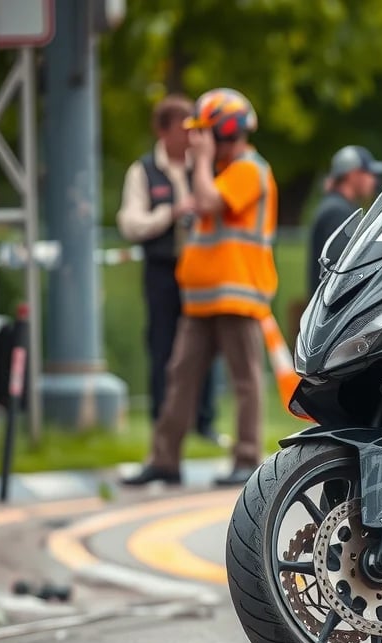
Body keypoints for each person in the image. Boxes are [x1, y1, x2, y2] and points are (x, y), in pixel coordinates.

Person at [123, 88, 279, 488]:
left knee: (244, 380)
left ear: (225, 130)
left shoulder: (249, 169)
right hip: (202, 299)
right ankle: (164, 460)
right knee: (179, 377)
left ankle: (247, 458)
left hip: (238, 293)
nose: (197, 141)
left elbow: (209, 203)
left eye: (204, 132)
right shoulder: (221, 169)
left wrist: (204, 162)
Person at [116, 95, 223, 446]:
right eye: (183, 128)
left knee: (207, 346)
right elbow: (130, 223)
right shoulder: (143, 170)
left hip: (202, 270)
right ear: (162, 131)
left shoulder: (204, 165)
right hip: (163, 270)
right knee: (162, 346)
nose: (190, 136)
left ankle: (203, 421)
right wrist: (170, 213)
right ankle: (163, 421)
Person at [307, 145, 382, 299]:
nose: (373, 180)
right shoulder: (337, 212)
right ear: (353, 174)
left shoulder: (335, 206)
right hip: (333, 312)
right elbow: (346, 271)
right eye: (369, 173)